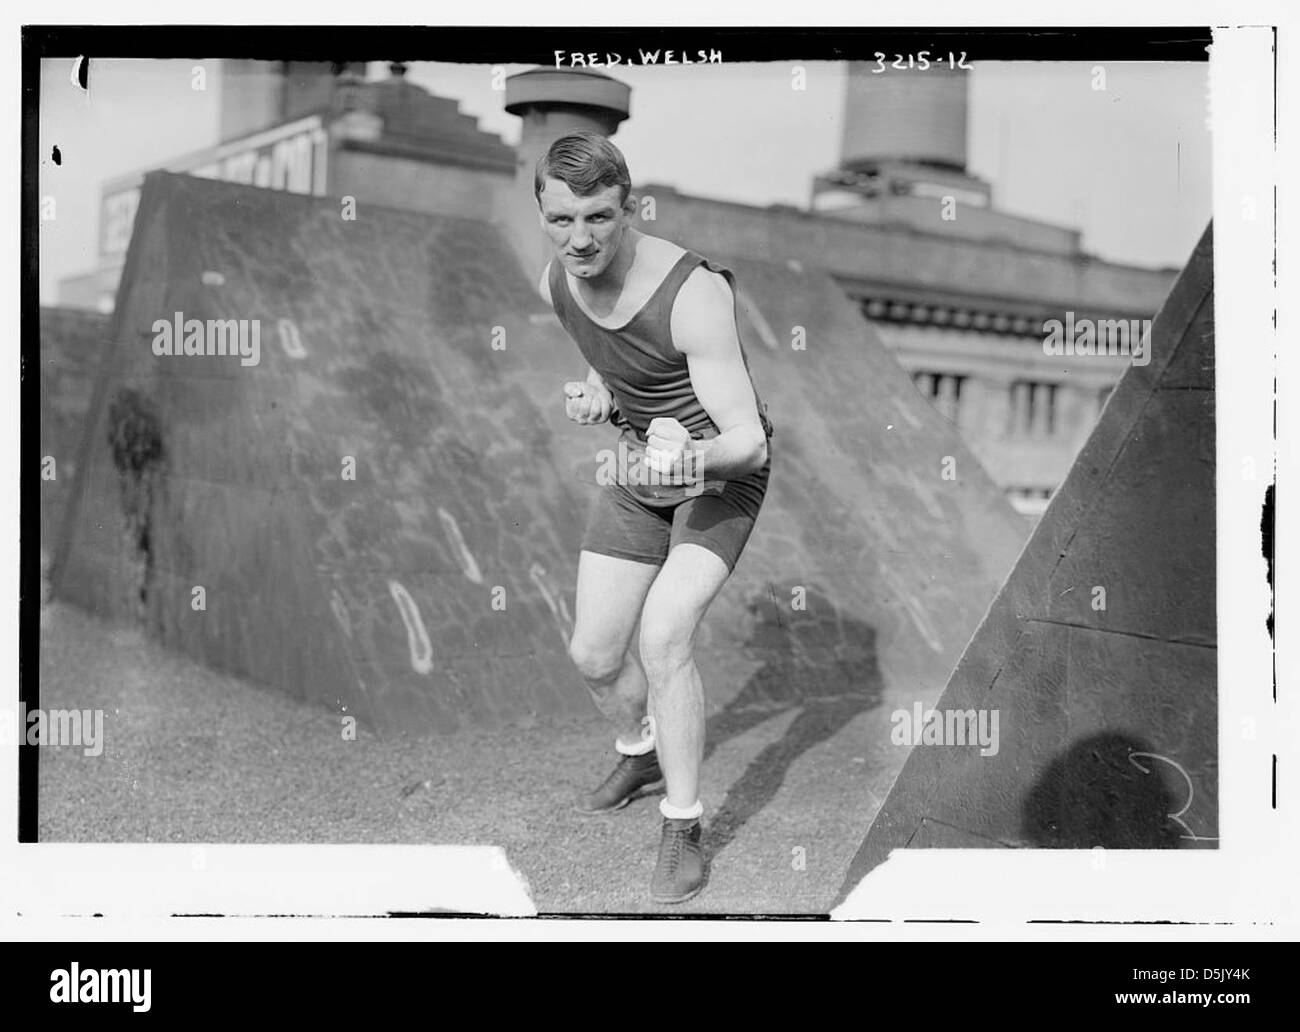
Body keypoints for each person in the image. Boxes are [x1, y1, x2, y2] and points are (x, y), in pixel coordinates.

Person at [534, 130, 773, 904]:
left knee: (664, 635)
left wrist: (692, 461)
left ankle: (684, 824)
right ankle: (641, 752)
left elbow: (749, 441)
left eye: (600, 218)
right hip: (641, 469)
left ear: (629, 207)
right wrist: (603, 396)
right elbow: (617, 361)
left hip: (717, 477)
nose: (580, 239)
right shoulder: (557, 284)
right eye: (562, 220)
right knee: (595, 655)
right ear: (543, 213)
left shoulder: (694, 291)